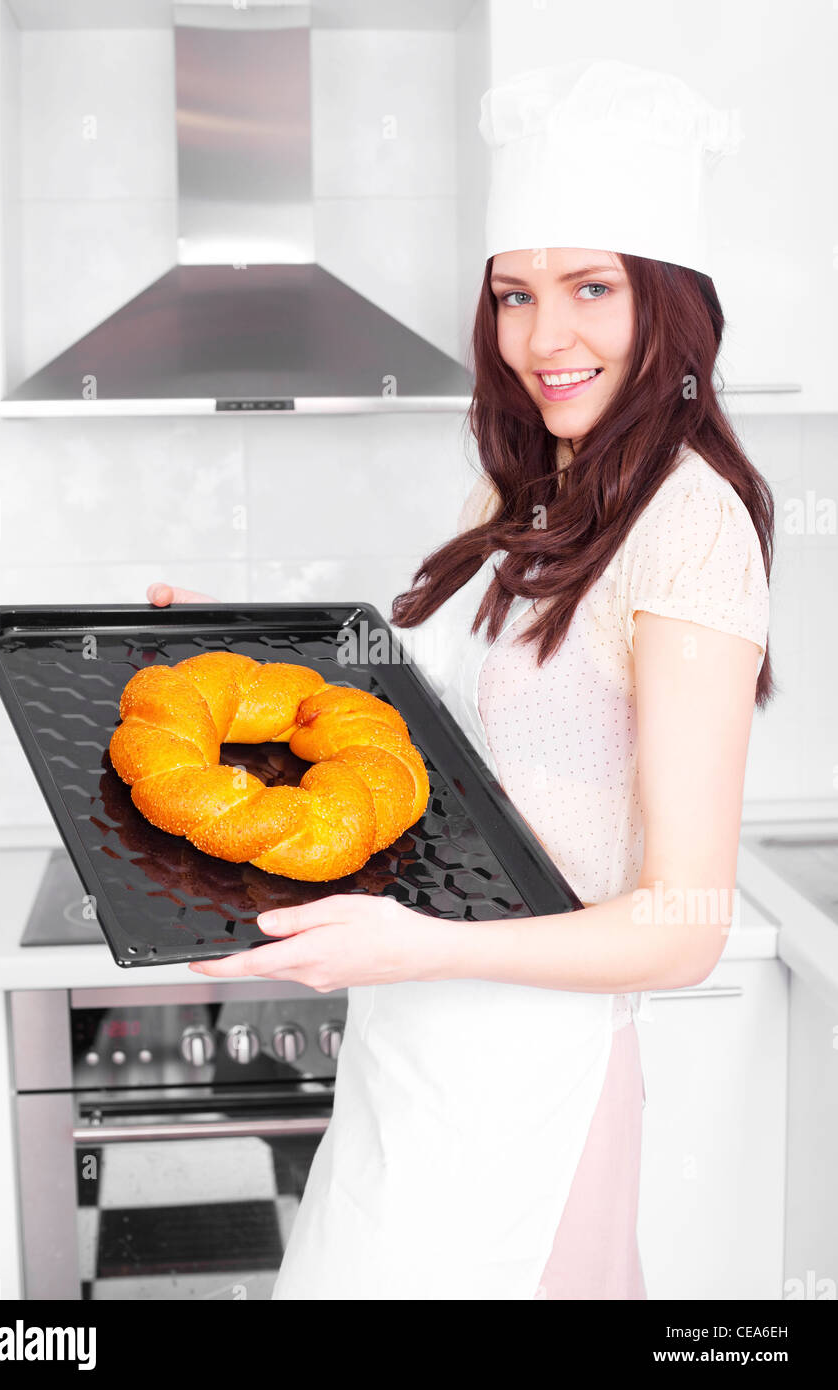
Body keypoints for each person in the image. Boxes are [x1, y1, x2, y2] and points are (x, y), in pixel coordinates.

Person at [149, 60, 773, 1300]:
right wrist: (244, 656)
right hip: (413, 1059)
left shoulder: (690, 526)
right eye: (514, 295)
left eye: (592, 288)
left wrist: (414, 944)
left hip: (532, 1093)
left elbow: (681, 925)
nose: (546, 337)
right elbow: (441, 742)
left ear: (672, 308)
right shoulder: (532, 494)